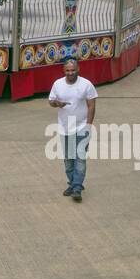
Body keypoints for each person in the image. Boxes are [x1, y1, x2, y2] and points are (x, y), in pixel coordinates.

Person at [48, 59, 97, 203]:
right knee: (68, 161)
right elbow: (51, 101)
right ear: (64, 70)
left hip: (82, 127)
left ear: (78, 69)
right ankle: (72, 183)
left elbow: (92, 106)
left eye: (73, 70)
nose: (70, 73)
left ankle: (76, 188)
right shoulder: (58, 84)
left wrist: (88, 125)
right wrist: (57, 103)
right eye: (68, 71)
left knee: (80, 159)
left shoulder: (86, 85)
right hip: (65, 128)